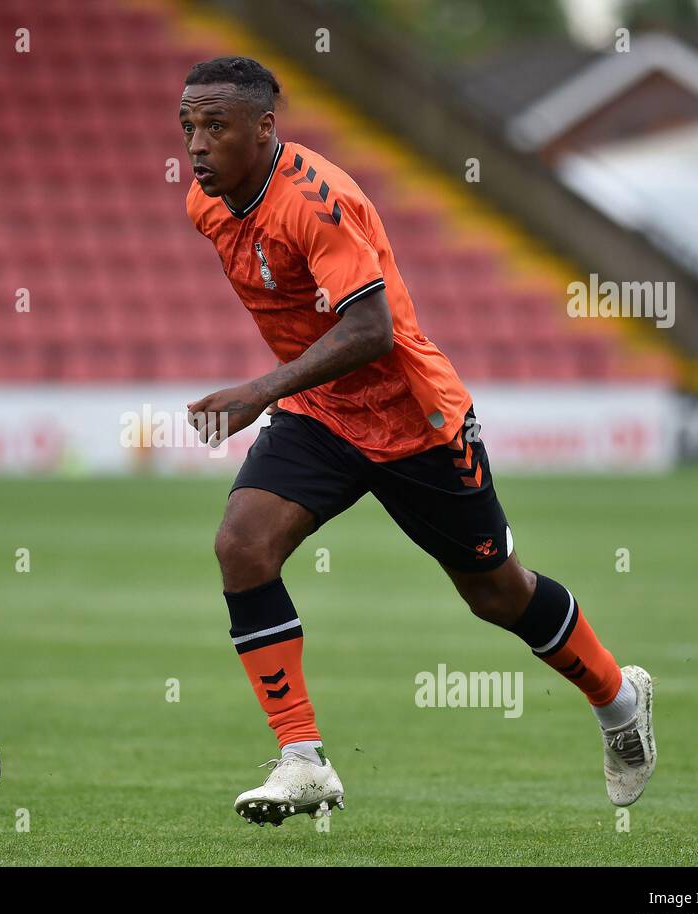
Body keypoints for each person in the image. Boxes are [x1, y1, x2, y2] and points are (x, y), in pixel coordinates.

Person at [179, 56, 656, 826]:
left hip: (416, 420)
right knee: (242, 547)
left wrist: (259, 389)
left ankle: (619, 699)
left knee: (497, 593)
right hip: (325, 412)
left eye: (215, 127)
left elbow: (370, 330)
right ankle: (303, 762)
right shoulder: (208, 206)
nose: (197, 145)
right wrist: (288, 391)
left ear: (266, 129)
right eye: (188, 127)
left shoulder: (318, 203)